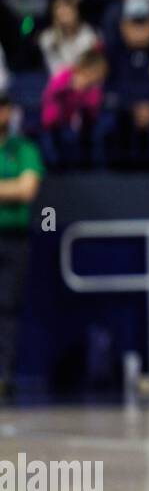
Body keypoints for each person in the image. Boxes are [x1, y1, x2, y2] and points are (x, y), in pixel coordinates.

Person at [0, 93, 42, 400]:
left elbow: (27, 189)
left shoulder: (23, 148)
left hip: (14, 238)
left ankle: (4, 376)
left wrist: (15, 189)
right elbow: (17, 186)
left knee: (7, 307)